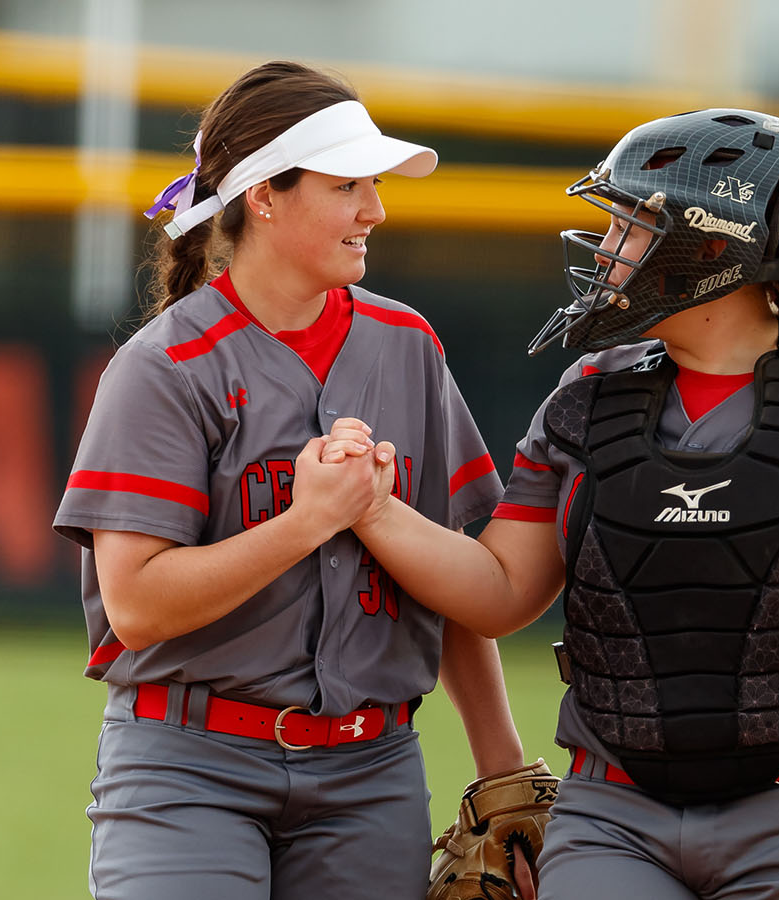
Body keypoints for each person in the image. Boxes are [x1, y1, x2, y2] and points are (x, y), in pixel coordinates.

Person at [331, 109, 779, 899]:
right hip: (613, 814)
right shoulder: (587, 395)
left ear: (711, 248)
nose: (606, 249)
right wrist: (373, 509)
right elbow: (501, 590)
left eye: (632, 226)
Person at [52, 61, 535, 900]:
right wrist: (306, 521)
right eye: (347, 185)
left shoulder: (406, 345)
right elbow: (137, 606)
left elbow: (452, 576)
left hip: (369, 772)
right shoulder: (166, 365)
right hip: (190, 766)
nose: (374, 209)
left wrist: (502, 772)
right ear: (264, 197)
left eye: (373, 185)